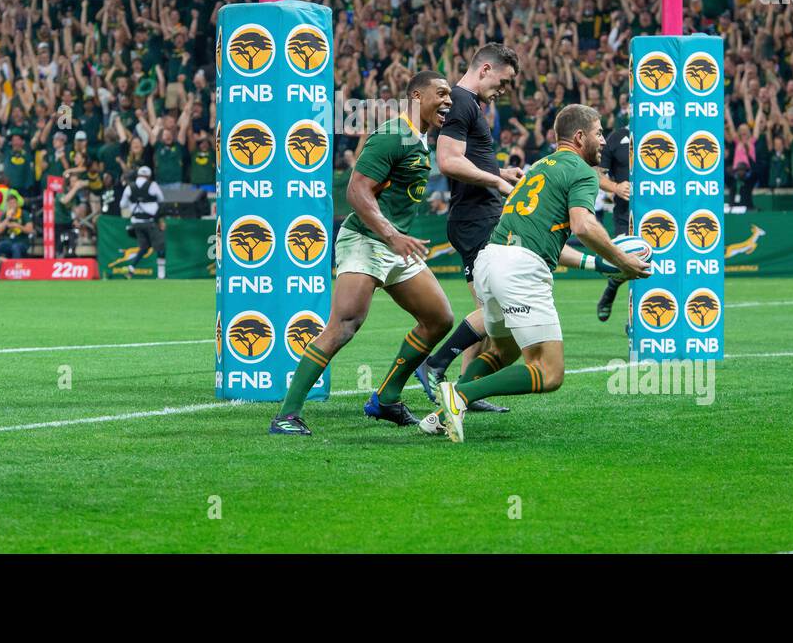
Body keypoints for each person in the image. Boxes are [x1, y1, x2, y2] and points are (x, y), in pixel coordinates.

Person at [431, 105, 650, 443]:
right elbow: (584, 225)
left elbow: (550, 237)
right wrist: (622, 259)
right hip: (520, 270)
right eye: (599, 133)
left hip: (491, 261)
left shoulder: (539, 169)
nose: (604, 141)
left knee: (503, 352)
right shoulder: (582, 171)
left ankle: (443, 411)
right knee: (549, 373)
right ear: (579, 137)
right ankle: (458, 397)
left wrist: (599, 263)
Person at [270, 71, 455, 436]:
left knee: (439, 319)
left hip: (394, 244)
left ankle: (386, 398)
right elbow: (356, 191)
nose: (448, 100)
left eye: (450, 94)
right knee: (345, 324)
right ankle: (286, 416)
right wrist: (390, 234)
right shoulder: (393, 134)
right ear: (416, 96)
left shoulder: (418, 139)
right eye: (441, 93)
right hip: (366, 240)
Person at [414, 43, 521, 414]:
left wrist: (501, 173)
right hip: (476, 220)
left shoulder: (467, 104)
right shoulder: (461, 101)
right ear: (486, 69)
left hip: (476, 217)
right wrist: (497, 183)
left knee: (490, 313)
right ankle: (435, 364)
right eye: (503, 82)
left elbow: (466, 160)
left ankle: (465, 390)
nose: (504, 90)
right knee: (495, 309)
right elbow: (447, 162)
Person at [595, 123, 632, 324]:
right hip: (625, 214)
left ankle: (637, 321)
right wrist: (615, 187)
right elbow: (596, 172)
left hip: (661, 212)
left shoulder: (663, 136)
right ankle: (612, 288)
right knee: (628, 260)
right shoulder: (617, 137)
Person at [120, 165, 165, 278]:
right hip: (150, 221)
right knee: (160, 246)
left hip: (136, 222)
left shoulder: (130, 187)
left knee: (144, 247)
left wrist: (134, 202)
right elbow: (161, 199)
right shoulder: (152, 185)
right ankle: (161, 275)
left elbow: (122, 204)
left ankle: (131, 268)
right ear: (148, 176)